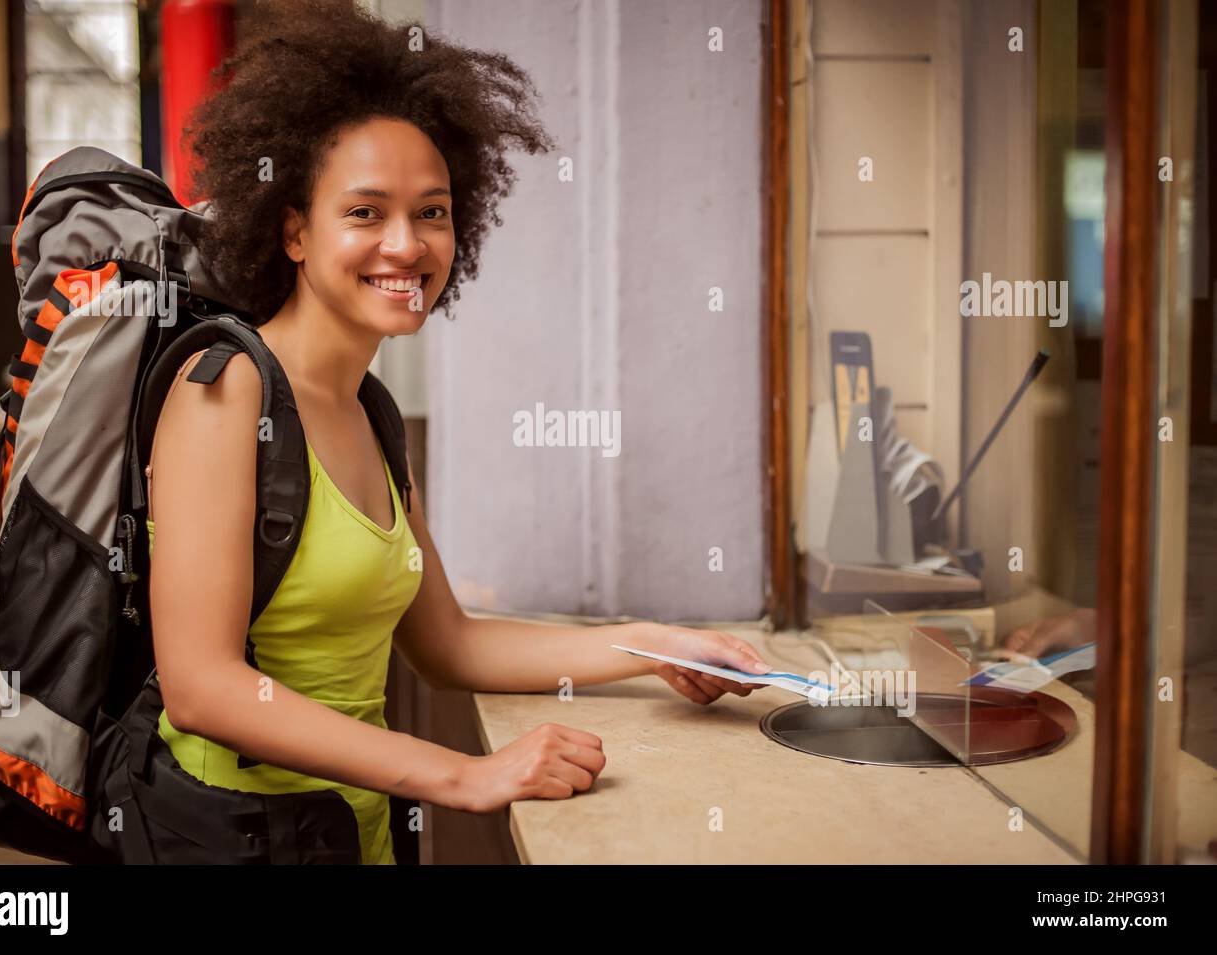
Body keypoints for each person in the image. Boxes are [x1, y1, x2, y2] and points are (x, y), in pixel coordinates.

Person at [144, 0, 773, 865]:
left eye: (431, 212)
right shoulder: (223, 392)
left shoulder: (368, 409)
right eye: (365, 213)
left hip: (349, 837)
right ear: (294, 227)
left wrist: (653, 645)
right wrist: (463, 774)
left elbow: (449, 642)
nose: (406, 244)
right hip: (228, 840)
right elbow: (201, 687)